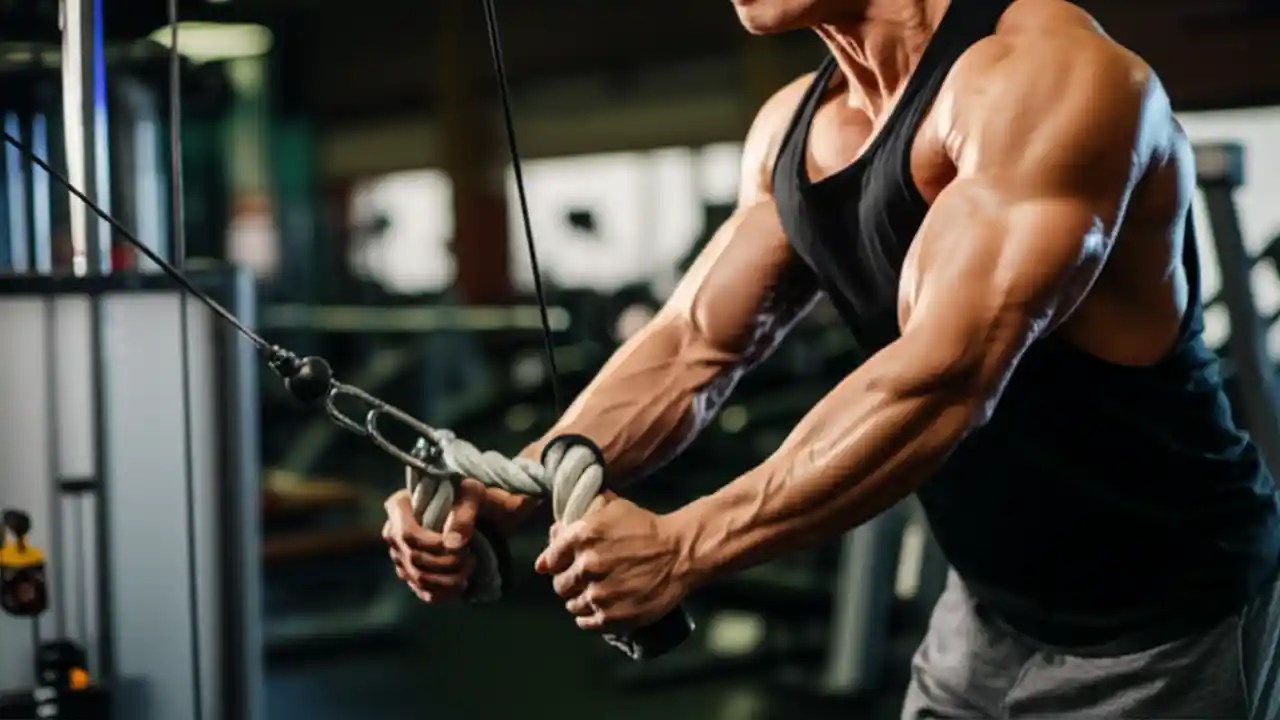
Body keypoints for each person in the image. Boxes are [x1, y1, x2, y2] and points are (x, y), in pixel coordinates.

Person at [383, 0, 1280, 715]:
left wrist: (686, 544)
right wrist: (508, 485)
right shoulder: (797, 127)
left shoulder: (1048, 77)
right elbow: (693, 343)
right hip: (988, 612)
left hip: (1168, 620)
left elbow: (945, 378)